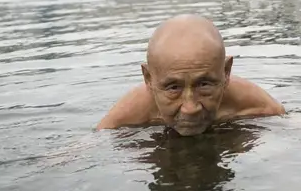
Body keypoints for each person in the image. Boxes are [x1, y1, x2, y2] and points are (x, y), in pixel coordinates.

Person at [97, 14, 285, 135]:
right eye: (173, 88)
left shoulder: (258, 107)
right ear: (148, 79)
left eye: (204, 85)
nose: (190, 108)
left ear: (226, 72)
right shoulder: (124, 118)